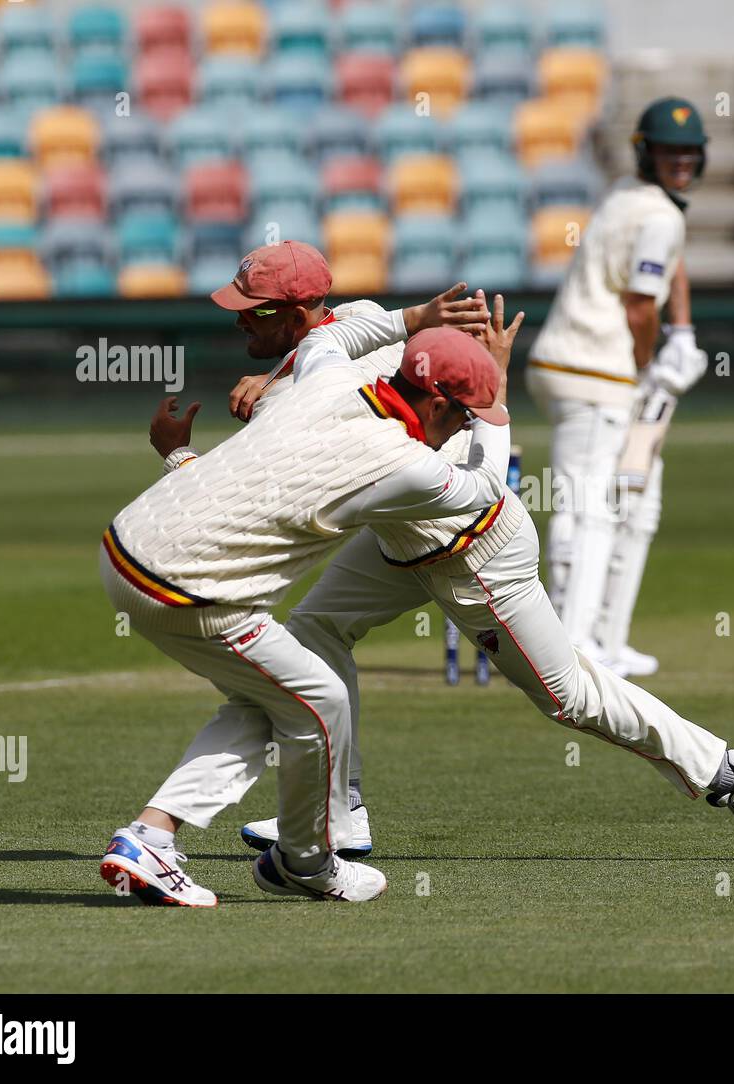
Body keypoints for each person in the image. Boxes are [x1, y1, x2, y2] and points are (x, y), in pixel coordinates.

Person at [152, 279, 734, 873]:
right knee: (317, 626)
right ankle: (340, 814)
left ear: (295, 314)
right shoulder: (358, 322)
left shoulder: (325, 376)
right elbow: (333, 353)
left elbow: (239, 500)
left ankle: (729, 770)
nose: (237, 319)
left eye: (251, 308)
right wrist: (275, 377)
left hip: (473, 553)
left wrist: (184, 451)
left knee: (568, 697)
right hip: (405, 536)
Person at [99, 241, 511, 906]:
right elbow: (486, 483)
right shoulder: (407, 468)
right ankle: (307, 863)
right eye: (462, 415)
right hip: (193, 589)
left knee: (270, 700)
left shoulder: (323, 371)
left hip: (125, 549)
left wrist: (414, 317)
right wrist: (502, 394)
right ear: (436, 407)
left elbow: (337, 331)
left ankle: (154, 835)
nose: (463, 426)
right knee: (321, 702)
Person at [524, 97, 711, 675]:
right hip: (591, 371)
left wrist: (682, 330)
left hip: (584, 369)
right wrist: (649, 360)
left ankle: (607, 636)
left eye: (688, 153)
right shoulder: (657, 213)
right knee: (589, 506)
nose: (679, 161)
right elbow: (637, 305)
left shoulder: (635, 202)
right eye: (668, 152)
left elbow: (666, 268)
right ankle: (572, 647)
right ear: (645, 153)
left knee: (634, 499)